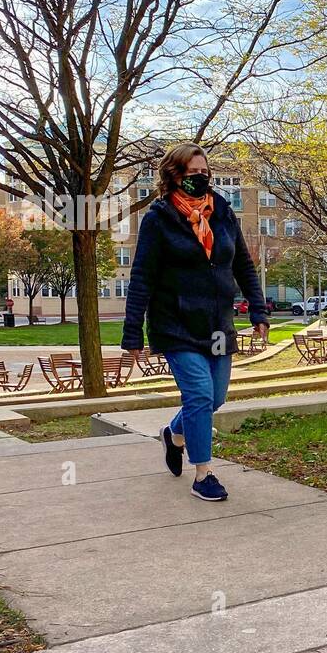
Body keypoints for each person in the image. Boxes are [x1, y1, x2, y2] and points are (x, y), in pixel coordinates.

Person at [122, 143, 270, 502]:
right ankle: (204, 473)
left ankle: (173, 434)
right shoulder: (158, 218)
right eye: (193, 174)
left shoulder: (221, 211)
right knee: (200, 395)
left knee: (214, 397)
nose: (201, 179)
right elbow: (141, 276)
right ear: (174, 176)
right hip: (175, 324)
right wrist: (132, 334)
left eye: (205, 173)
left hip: (218, 324)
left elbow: (243, 266)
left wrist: (258, 311)